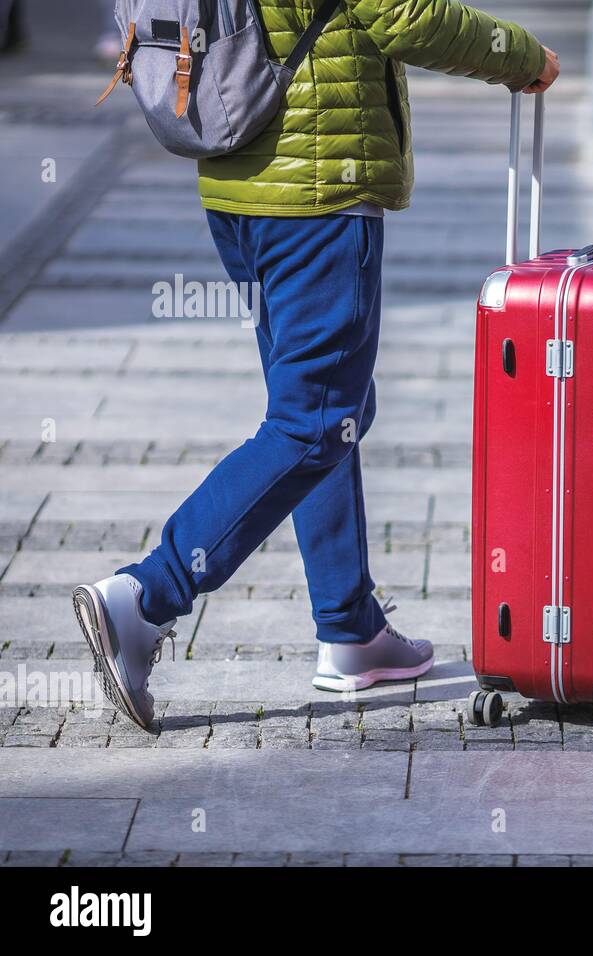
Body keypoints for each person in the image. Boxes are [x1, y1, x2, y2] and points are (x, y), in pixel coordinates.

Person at [72, 0, 559, 731]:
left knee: (334, 411)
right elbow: (404, 15)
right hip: (317, 190)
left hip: (238, 180)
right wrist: (522, 56)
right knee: (313, 423)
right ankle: (145, 598)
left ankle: (352, 629)